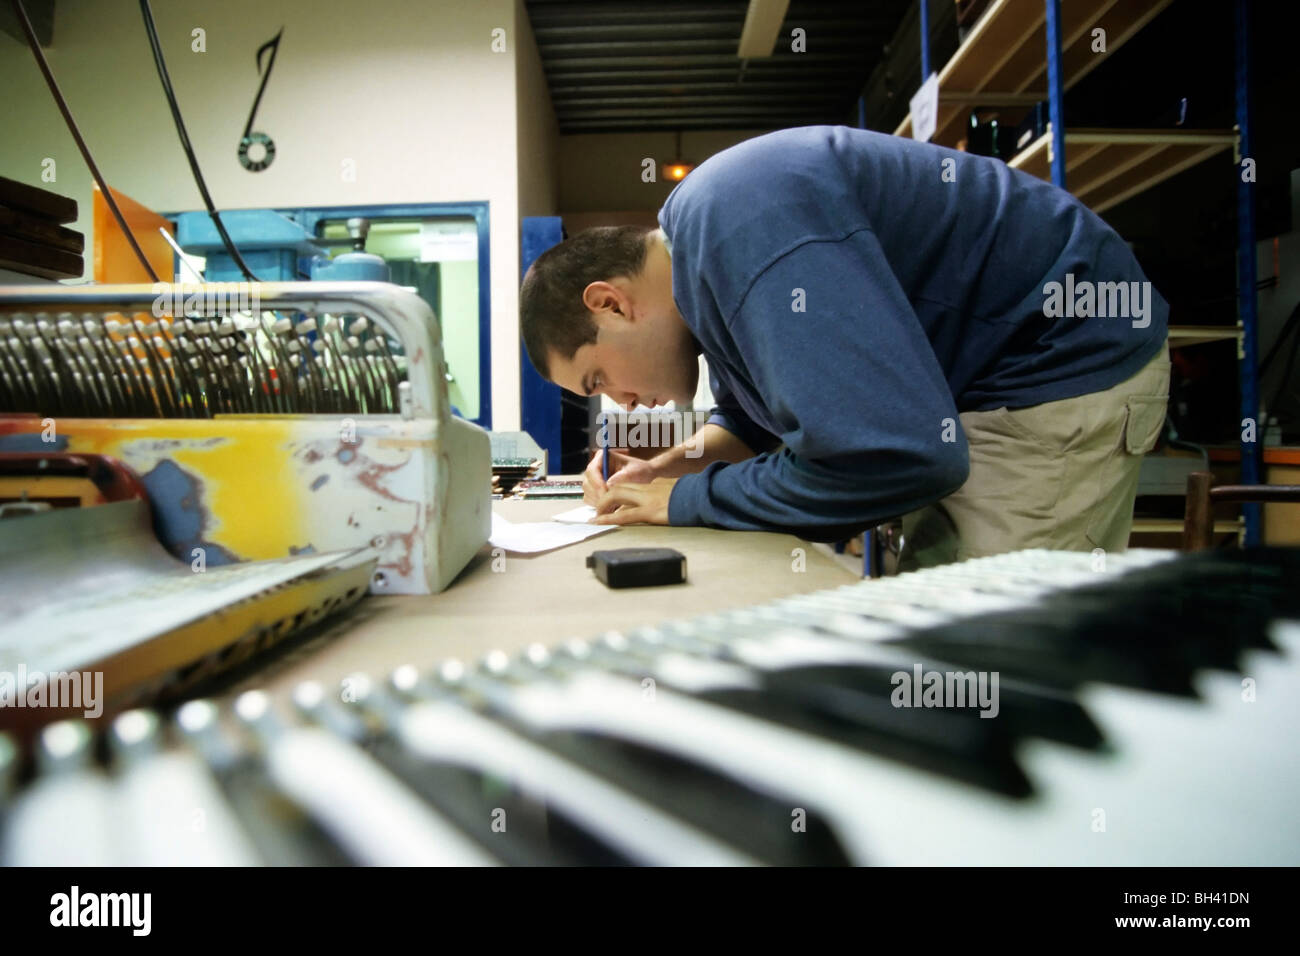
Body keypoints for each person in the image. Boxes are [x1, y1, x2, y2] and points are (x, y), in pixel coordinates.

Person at [519, 125, 1171, 569]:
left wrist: (686, 501)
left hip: (1058, 359)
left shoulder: (742, 229)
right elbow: (755, 415)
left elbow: (897, 457)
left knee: (991, 647)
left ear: (609, 302)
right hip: (985, 378)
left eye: (598, 379)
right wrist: (674, 468)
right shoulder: (702, 261)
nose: (622, 403)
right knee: (929, 614)